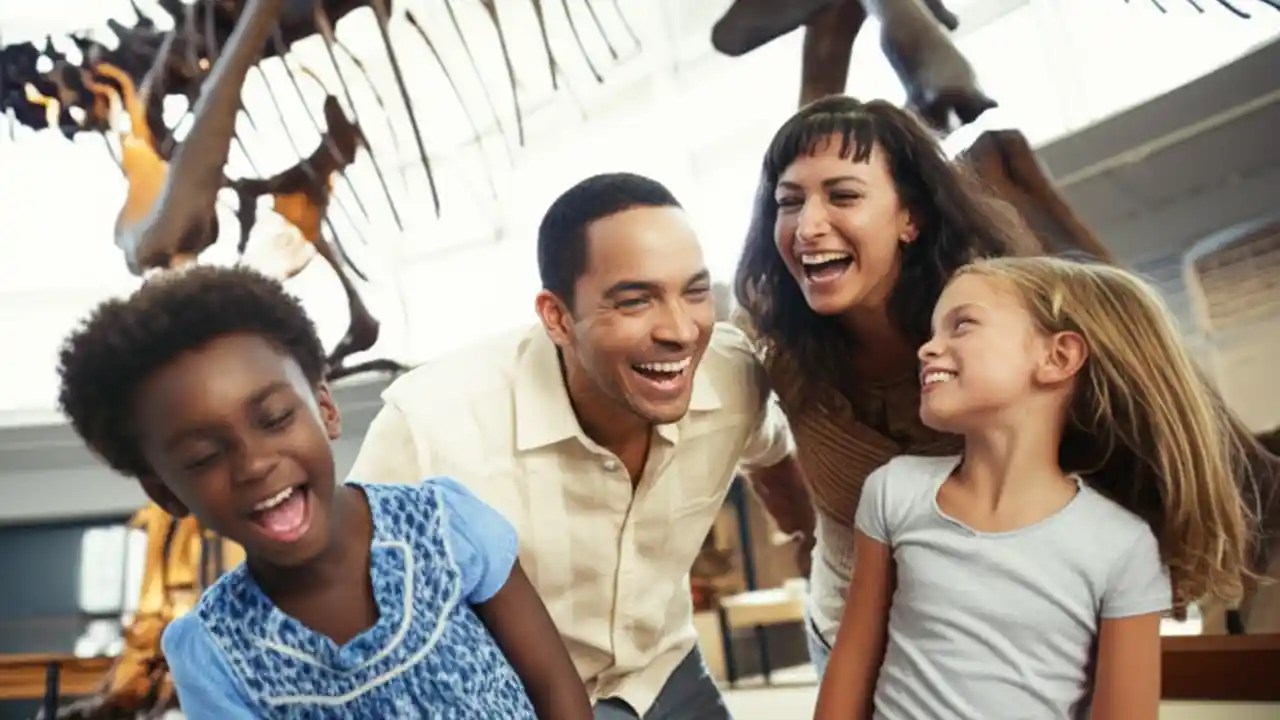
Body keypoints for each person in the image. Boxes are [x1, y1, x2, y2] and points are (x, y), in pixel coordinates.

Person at [350, 172, 812, 720]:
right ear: (557, 317)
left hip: (664, 674)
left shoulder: (730, 376)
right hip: (516, 701)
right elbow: (353, 600)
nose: (681, 331)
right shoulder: (430, 424)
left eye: (693, 291)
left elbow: (771, 450)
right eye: (635, 300)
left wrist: (809, 538)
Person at [55, 266, 592, 719]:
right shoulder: (214, 654)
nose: (255, 463)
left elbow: (557, 690)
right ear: (167, 494)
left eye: (275, 418)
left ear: (326, 409)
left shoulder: (447, 526)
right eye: (203, 457)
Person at [813, 256, 1256, 719]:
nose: (927, 348)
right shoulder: (894, 491)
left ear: (1057, 357)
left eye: (961, 325)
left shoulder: (1121, 547)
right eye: (932, 332)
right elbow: (853, 662)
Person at [732, 94, 1033, 676]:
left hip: (998, 644)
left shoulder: (1005, 318)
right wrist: (800, 526)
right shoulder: (774, 343)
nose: (808, 226)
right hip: (848, 641)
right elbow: (754, 445)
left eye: (843, 195)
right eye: (788, 202)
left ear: (909, 217)